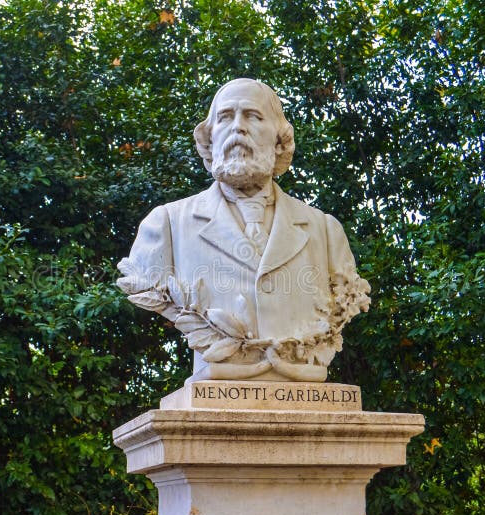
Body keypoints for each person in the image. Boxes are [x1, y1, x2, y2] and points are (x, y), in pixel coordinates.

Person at [117, 78, 370, 382]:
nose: (238, 127)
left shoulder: (326, 232)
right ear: (210, 139)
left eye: (253, 115)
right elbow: (146, 283)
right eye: (225, 117)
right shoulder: (167, 224)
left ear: (279, 140)